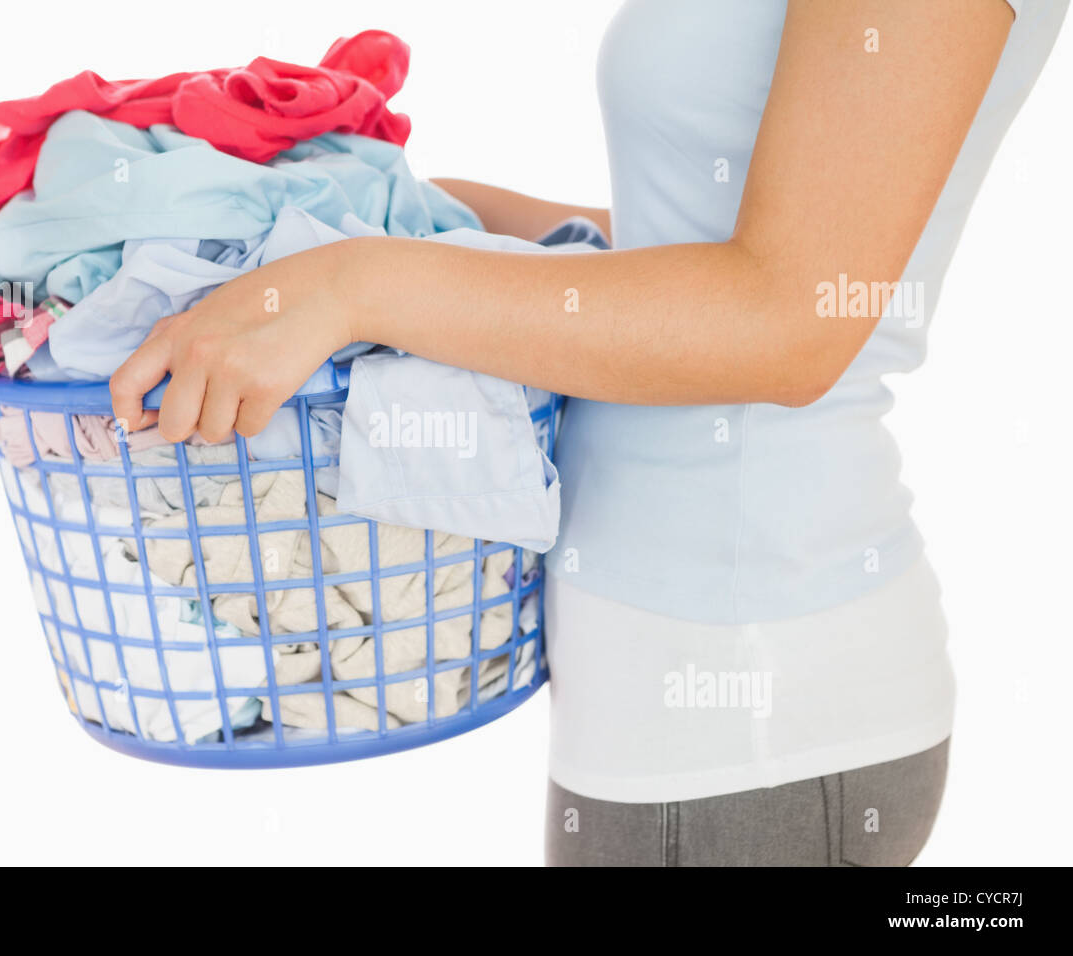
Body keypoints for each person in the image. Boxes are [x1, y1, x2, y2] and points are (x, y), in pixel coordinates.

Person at [108, 0, 1067, 865]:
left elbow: (791, 321)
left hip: (747, 703)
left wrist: (355, 281)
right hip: (671, 693)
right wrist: (365, 210)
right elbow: (680, 246)